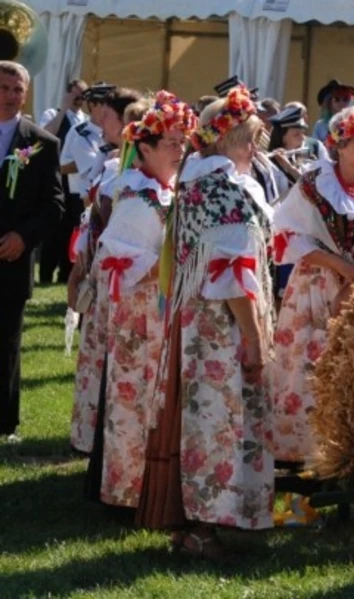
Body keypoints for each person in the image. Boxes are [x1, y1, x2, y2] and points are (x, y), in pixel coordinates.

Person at [137, 85, 275, 558]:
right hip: (221, 328)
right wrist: (255, 340)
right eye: (250, 138)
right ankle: (203, 527)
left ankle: (188, 523)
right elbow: (234, 274)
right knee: (218, 420)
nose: (256, 149)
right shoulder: (226, 193)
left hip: (194, 321)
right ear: (230, 138)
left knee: (196, 417)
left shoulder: (194, 186)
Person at [269, 105, 354, 466]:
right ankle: (301, 458)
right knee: (309, 366)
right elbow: (286, 236)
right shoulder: (315, 183)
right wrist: (340, 265)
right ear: (339, 144)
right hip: (316, 285)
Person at [94, 91, 196, 508]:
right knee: (134, 398)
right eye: (170, 143)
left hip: (166, 311)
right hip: (142, 315)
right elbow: (115, 257)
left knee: (160, 401)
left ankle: (155, 488)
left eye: (183, 142)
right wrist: (176, 263)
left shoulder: (167, 193)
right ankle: (128, 490)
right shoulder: (138, 199)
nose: (180, 150)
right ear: (146, 149)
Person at [69, 87, 143, 456]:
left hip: (124, 271)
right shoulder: (113, 163)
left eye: (108, 117)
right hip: (101, 265)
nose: (101, 123)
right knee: (97, 352)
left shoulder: (130, 171)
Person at [0, 61, 65, 443]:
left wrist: (24, 238)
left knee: (5, 342)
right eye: (4, 87)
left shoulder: (40, 142)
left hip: (11, 257)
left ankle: (4, 421)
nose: (10, 95)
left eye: (17, 89)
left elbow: (53, 204)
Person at [38, 79, 89, 285]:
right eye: (75, 96)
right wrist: (63, 109)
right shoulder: (52, 114)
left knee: (73, 227)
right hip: (57, 178)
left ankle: (66, 272)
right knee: (54, 227)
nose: (79, 101)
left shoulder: (86, 119)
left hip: (77, 182)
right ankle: (46, 272)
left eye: (82, 97)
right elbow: (45, 135)